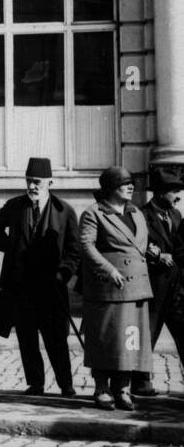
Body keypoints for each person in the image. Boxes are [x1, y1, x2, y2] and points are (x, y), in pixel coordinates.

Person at [0, 156, 80, 397]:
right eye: (28, 181)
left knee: (56, 338)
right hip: (22, 287)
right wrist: (10, 248)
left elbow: (74, 250)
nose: (32, 186)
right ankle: (35, 383)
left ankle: (66, 384)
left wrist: (63, 274)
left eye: (37, 181)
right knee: (27, 338)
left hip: (52, 288)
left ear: (50, 183)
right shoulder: (15, 206)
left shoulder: (65, 211)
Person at [78, 166, 154, 410]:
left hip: (137, 289)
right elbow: (86, 245)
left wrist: (153, 252)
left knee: (130, 341)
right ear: (111, 188)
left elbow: (139, 245)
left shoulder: (136, 213)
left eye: (131, 183)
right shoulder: (94, 213)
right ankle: (102, 388)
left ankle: (122, 388)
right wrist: (109, 269)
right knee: (105, 339)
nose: (130, 187)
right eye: (124, 183)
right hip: (109, 289)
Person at [134, 164, 184, 398]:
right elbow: (133, 246)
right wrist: (154, 255)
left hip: (176, 288)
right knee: (147, 335)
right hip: (152, 287)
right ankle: (141, 383)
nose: (178, 196)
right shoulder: (140, 216)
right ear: (161, 192)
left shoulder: (176, 215)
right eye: (174, 191)